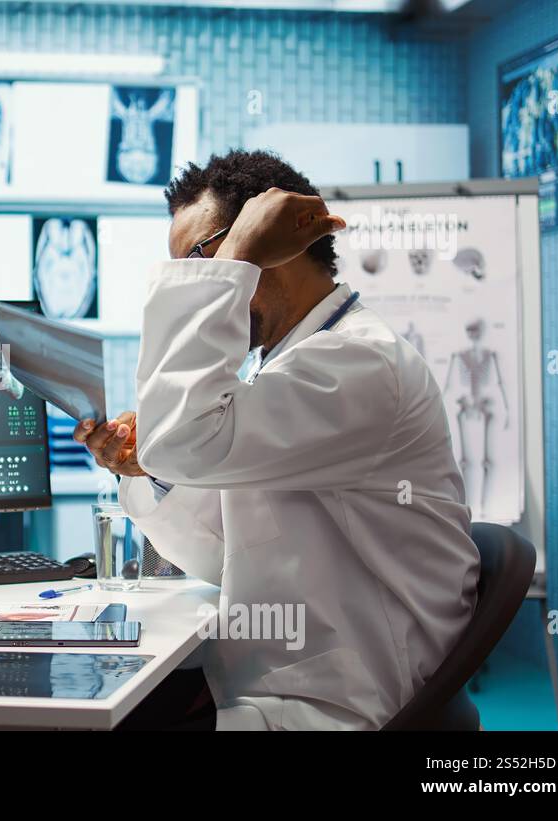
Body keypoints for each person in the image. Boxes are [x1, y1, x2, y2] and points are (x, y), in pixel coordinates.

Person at [80, 150, 479, 730]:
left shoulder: (358, 362)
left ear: (271, 244)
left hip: (341, 702)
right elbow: (226, 550)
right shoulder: (295, 365)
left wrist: (234, 257)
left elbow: (183, 437)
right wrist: (151, 470)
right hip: (291, 677)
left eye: (199, 262)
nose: (198, 286)